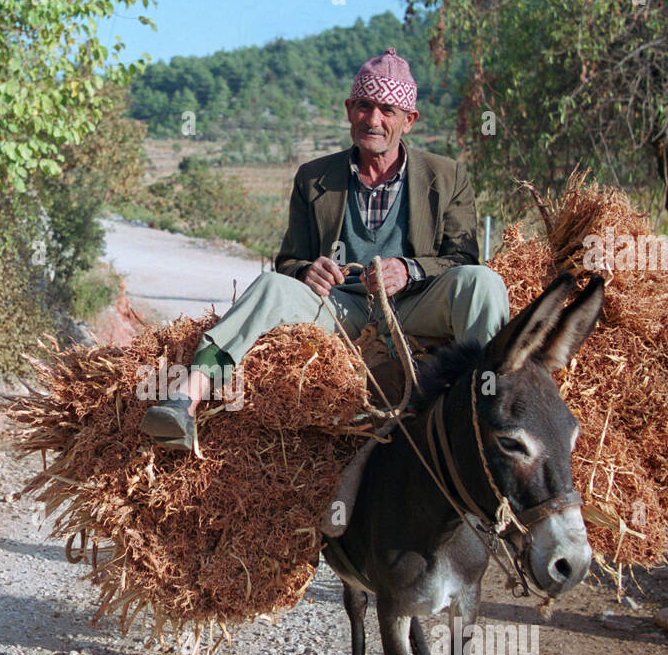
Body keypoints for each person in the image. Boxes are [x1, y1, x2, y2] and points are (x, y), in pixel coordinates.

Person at [140, 48, 511, 451]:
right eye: (364, 106)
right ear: (349, 109)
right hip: (339, 309)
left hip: (416, 305)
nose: (374, 120)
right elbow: (288, 260)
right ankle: (183, 402)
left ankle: (487, 410)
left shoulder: (447, 176)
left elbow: (462, 258)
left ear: (409, 121)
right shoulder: (314, 177)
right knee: (269, 286)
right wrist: (305, 272)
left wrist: (410, 270)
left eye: (388, 110)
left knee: (481, 283)